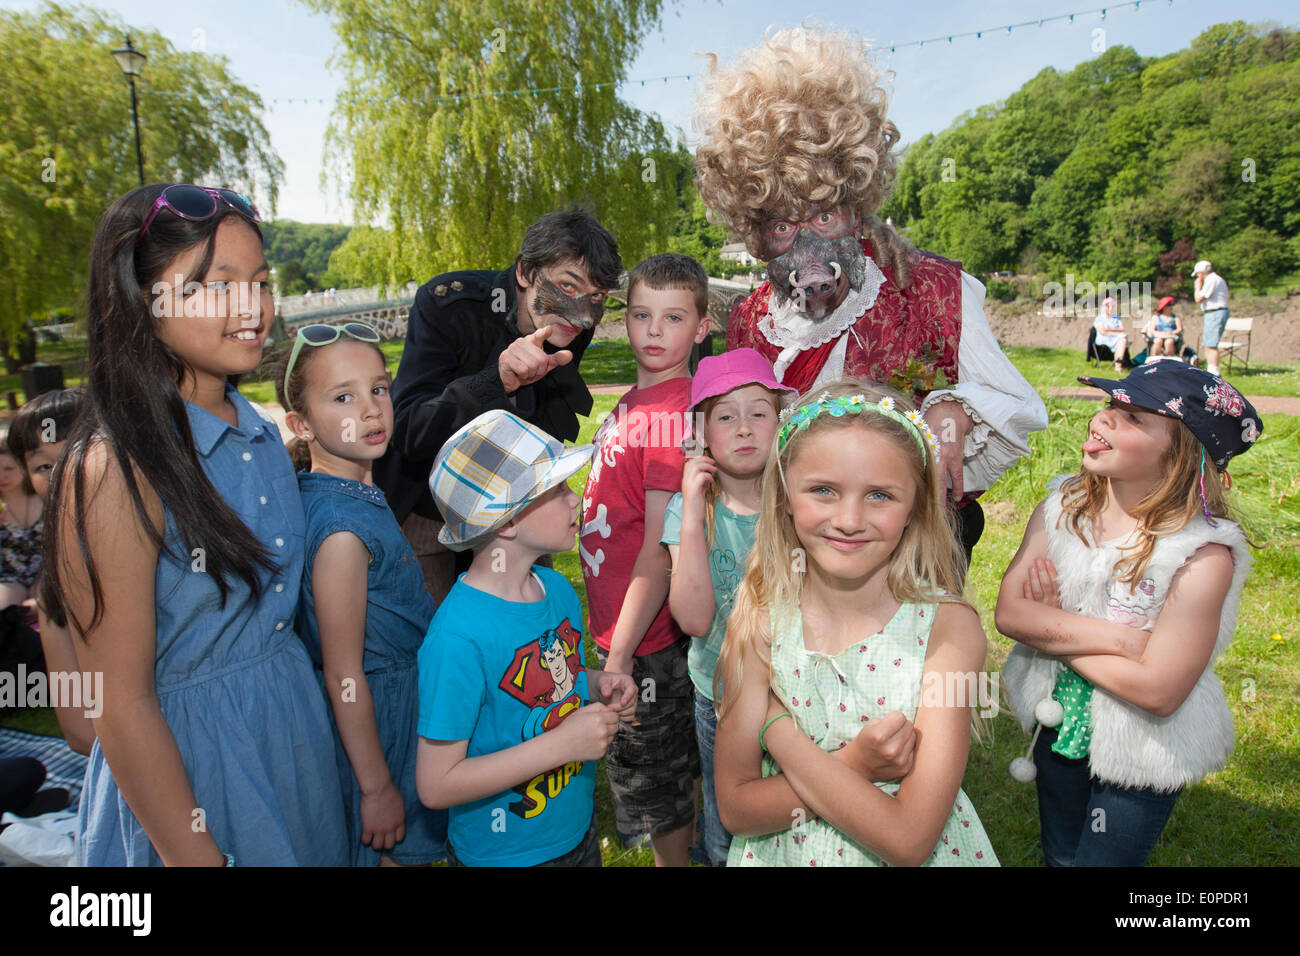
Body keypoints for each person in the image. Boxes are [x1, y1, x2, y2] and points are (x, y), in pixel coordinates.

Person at [39, 183, 348, 866]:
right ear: (140, 303)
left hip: (291, 742)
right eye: (214, 285)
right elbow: (119, 705)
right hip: (192, 778)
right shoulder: (117, 468)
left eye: (261, 281)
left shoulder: (262, 433)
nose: (252, 307)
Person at [694, 27, 1047, 559]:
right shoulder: (750, 318)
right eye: (785, 226)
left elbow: (1019, 404)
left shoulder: (932, 289)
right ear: (757, 233)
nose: (809, 245)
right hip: (790, 547)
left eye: (824, 214)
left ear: (856, 206)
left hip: (910, 551)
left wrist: (956, 411)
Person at [715, 381, 998, 866]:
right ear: (784, 496)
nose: (848, 519)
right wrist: (856, 765)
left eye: (880, 496)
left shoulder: (946, 631)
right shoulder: (760, 620)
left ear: (915, 508)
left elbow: (909, 841)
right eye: (823, 490)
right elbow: (737, 809)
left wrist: (778, 731)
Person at [997, 363, 1261, 866]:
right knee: (1061, 855)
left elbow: (1159, 692)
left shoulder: (1200, 556)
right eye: (1111, 406)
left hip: (1144, 751)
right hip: (1058, 726)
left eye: (1134, 417)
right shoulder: (1062, 508)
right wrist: (1124, 642)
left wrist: (1054, 630)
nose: (1104, 420)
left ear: (1180, 453)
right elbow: (1011, 613)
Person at [415, 410, 637, 867]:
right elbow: (436, 784)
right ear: (507, 522)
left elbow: (559, 681)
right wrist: (560, 746)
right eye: (557, 491)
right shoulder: (458, 638)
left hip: (574, 830)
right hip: (504, 855)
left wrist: (596, 684)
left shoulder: (554, 590)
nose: (575, 500)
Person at [375, 209, 622, 606]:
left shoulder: (574, 325)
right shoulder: (448, 306)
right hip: (428, 506)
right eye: (567, 286)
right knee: (430, 633)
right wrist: (499, 381)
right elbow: (409, 430)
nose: (582, 313)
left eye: (596, 297)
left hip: (520, 508)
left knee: (526, 633)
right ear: (525, 272)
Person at [277, 321, 448, 866]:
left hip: (403, 706)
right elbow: (343, 673)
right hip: (381, 726)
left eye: (378, 388)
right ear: (300, 424)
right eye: (343, 397)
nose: (371, 409)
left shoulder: (354, 493)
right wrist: (376, 788)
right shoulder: (341, 532)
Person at [579, 252, 711, 867]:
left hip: (647, 642)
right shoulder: (638, 400)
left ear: (702, 327)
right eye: (640, 314)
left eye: (674, 317)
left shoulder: (672, 414)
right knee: (676, 777)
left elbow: (662, 552)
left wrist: (620, 655)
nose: (654, 332)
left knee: (662, 799)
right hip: (628, 630)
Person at [659, 348, 795, 866]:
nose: (744, 428)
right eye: (726, 415)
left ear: (781, 423)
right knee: (725, 824)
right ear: (702, 434)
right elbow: (693, 620)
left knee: (793, 810)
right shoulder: (690, 512)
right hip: (721, 700)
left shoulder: (799, 503)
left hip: (797, 696)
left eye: (759, 412)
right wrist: (692, 512)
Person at [7, 388, 94, 754]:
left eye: (81, 453)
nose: (64, 474)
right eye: (43, 465)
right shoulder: (56, 590)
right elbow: (79, 730)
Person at [0, 440, 43, 609]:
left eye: (8, 469)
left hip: (47, 577)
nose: (2, 476)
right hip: (9, 578)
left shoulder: (44, 498)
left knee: (49, 605)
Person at [1193, 260, 1230, 376]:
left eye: (1198, 274)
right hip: (1213, 313)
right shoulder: (1215, 279)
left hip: (1215, 313)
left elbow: (1198, 299)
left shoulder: (1211, 280)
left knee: (1211, 344)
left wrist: (1197, 287)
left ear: (1201, 272)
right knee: (1208, 343)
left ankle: (1213, 372)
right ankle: (1212, 370)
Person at [1093, 296, 1129, 373]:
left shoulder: (1117, 318)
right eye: (1109, 306)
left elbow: (1122, 329)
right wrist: (1117, 333)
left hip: (1117, 339)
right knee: (1122, 339)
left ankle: (1118, 366)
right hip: (1103, 340)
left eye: (1113, 306)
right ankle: (1118, 366)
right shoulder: (1099, 318)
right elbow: (1102, 332)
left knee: (1122, 339)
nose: (1111, 308)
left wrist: (1108, 329)